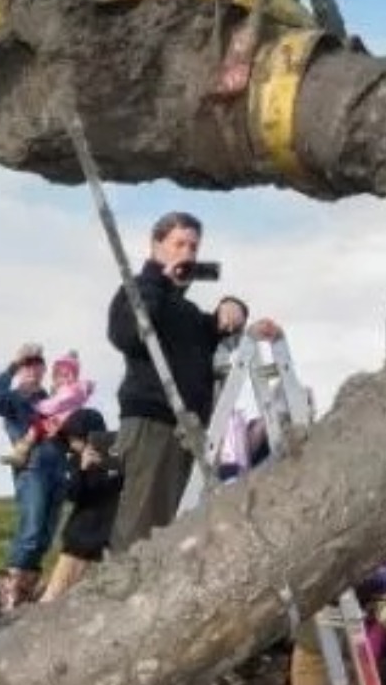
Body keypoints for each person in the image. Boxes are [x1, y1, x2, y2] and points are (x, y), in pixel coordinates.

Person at [108, 211, 281, 553]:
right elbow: (129, 334)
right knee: (141, 529)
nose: (187, 253)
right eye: (179, 244)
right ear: (157, 245)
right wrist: (158, 279)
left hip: (188, 429)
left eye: (193, 247)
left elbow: (212, 331)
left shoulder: (184, 311)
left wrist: (234, 309)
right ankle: (125, 585)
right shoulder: (137, 289)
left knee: (175, 527)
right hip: (154, 424)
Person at [0, 343, 70, 609]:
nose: (32, 368)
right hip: (32, 469)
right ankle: (9, 590)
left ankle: (25, 590)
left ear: (43, 369)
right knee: (31, 530)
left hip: (59, 470)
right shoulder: (12, 399)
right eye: (26, 364)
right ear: (20, 370)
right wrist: (12, 365)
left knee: (45, 535)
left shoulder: (53, 399)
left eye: (37, 363)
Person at [38, 409, 125, 603]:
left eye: (75, 438)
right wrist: (83, 470)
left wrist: (110, 464)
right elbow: (72, 495)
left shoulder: (115, 458)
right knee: (53, 597)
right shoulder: (74, 461)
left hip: (108, 541)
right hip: (79, 542)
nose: (72, 443)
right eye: (69, 438)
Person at [1, 352, 93, 468]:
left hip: (63, 420)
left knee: (34, 431)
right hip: (65, 421)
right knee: (72, 440)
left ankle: (20, 454)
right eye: (56, 375)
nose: (57, 379)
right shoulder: (72, 388)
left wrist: (39, 406)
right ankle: (86, 454)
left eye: (61, 375)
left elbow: (56, 404)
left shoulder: (70, 390)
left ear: (70, 375)